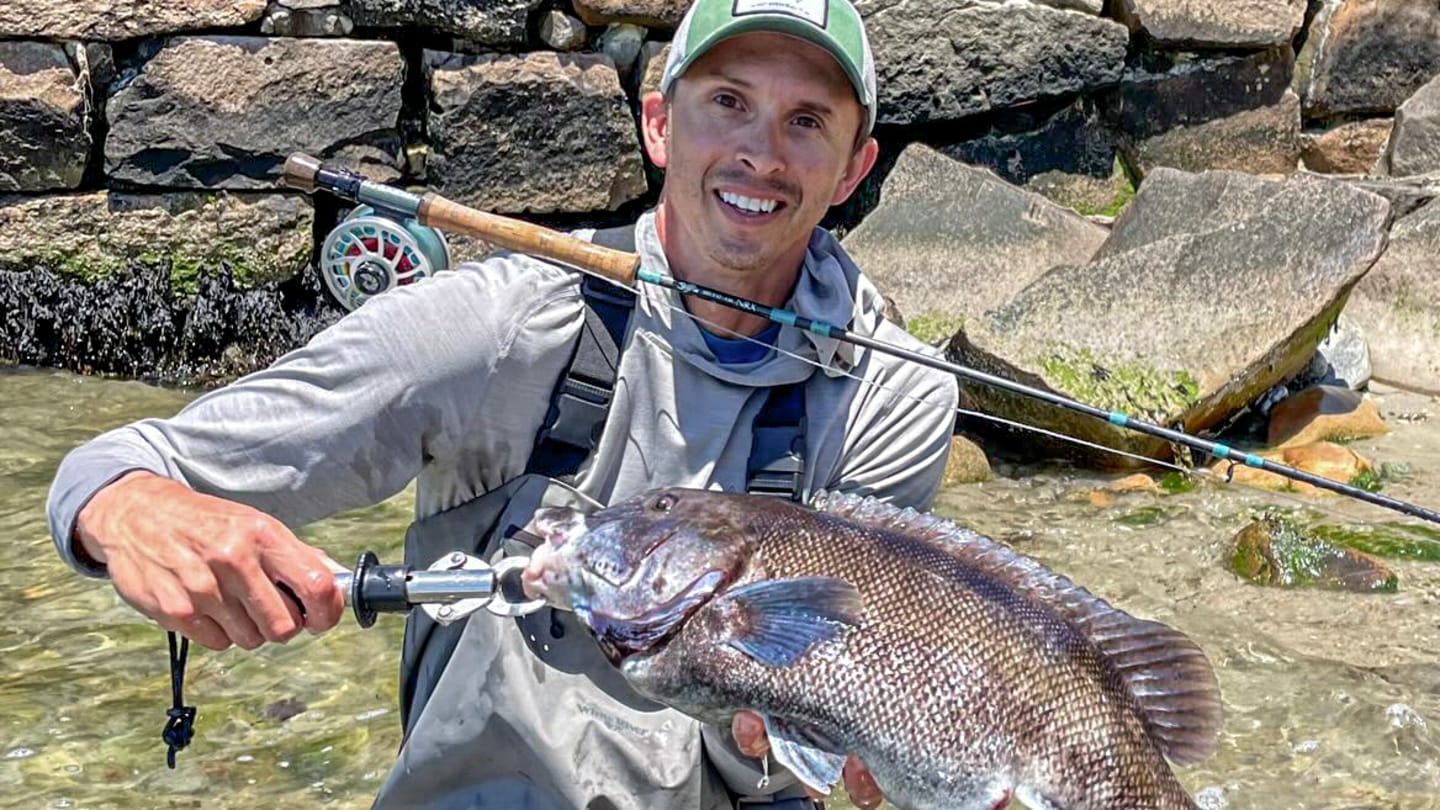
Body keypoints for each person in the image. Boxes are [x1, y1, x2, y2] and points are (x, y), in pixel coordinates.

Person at [46, 0, 959, 807]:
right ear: (657, 124)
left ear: (853, 169)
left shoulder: (898, 395)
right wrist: (129, 510)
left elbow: (826, 707)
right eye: (727, 102)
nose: (760, 153)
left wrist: (857, 740)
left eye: (807, 120)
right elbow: (121, 465)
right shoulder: (498, 324)